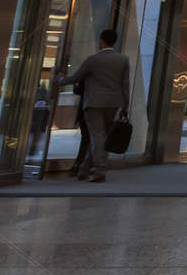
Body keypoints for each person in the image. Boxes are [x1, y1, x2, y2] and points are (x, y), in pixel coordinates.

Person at [56, 29, 131, 183]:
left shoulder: (93, 60)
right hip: (113, 103)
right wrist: (125, 104)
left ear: (101, 41)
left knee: (97, 136)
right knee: (100, 136)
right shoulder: (123, 60)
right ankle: (84, 169)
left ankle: (100, 170)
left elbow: (76, 77)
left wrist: (60, 80)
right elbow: (125, 84)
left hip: (94, 102)